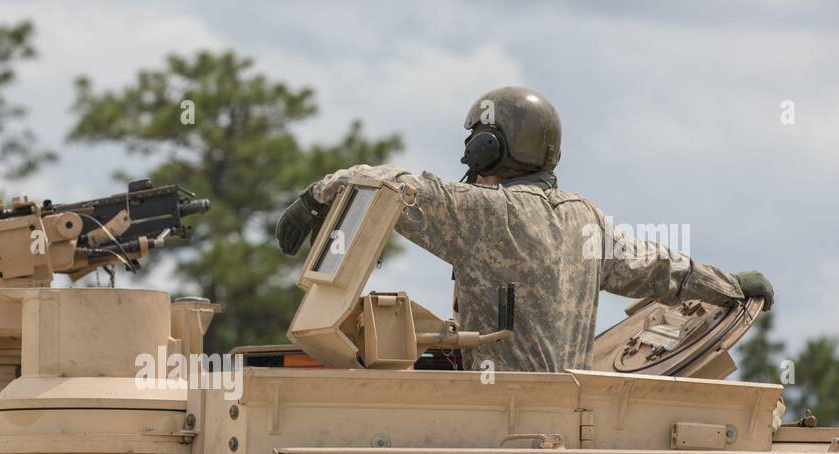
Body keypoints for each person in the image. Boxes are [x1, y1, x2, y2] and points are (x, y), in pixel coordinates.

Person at [275, 85, 774, 373]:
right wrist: (731, 285)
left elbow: (381, 183)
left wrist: (314, 197)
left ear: (488, 149)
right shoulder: (585, 219)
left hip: (493, 417)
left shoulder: (486, 215)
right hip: (565, 416)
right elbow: (666, 270)